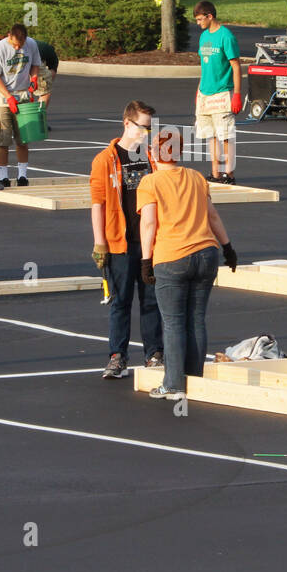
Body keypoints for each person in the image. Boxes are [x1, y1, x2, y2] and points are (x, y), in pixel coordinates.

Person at [137, 125, 238, 401]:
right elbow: (212, 215)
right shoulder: (195, 177)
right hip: (206, 253)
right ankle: (195, 379)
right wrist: (228, 247)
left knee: (172, 323)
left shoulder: (150, 182)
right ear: (179, 153)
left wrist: (146, 260)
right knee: (196, 320)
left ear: (151, 154)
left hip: (172, 256)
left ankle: (173, 384)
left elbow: (148, 223)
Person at [90, 100, 164, 379]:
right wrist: (100, 243)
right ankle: (117, 356)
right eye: (143, 127)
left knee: (151, 301)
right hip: (119, 243)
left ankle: (154, 354)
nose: (147, 133)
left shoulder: (154, 158)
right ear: (127, 123)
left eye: (150, 128)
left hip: (150, 244)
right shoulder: (105, 160)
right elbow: (97, 203)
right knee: (120, 302)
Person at [0, 23, 42, 188]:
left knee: (23, 138)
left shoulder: (31, 44)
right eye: (15, 44)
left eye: (21, 44)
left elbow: (35, 65)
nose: (18, 47)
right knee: (2, 139)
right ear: (8, 36)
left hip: (23, 94)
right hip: (1, 97)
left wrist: (33, 79)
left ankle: (22, 175)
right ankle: (3, 176)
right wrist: (8, 97)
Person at [193, 0, 241, 184]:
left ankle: (229, 174)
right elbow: (204, 68)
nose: (198, 23)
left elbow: (236, 67)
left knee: (225, 135)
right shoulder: (204, 37)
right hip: (205, 92)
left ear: (209, 16)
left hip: (222, 93)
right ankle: (215, 174)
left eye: (200, 19)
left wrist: (236, 94)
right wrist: (198, 92)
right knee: (211, 135)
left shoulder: (226, 36)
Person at [30, 36, 58, 116]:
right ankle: (38, 119)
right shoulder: (51, 53)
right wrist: (45, 85)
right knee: (45, 92)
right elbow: (52, 72)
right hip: (36, 60)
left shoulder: (37, 44)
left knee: (25, 91)